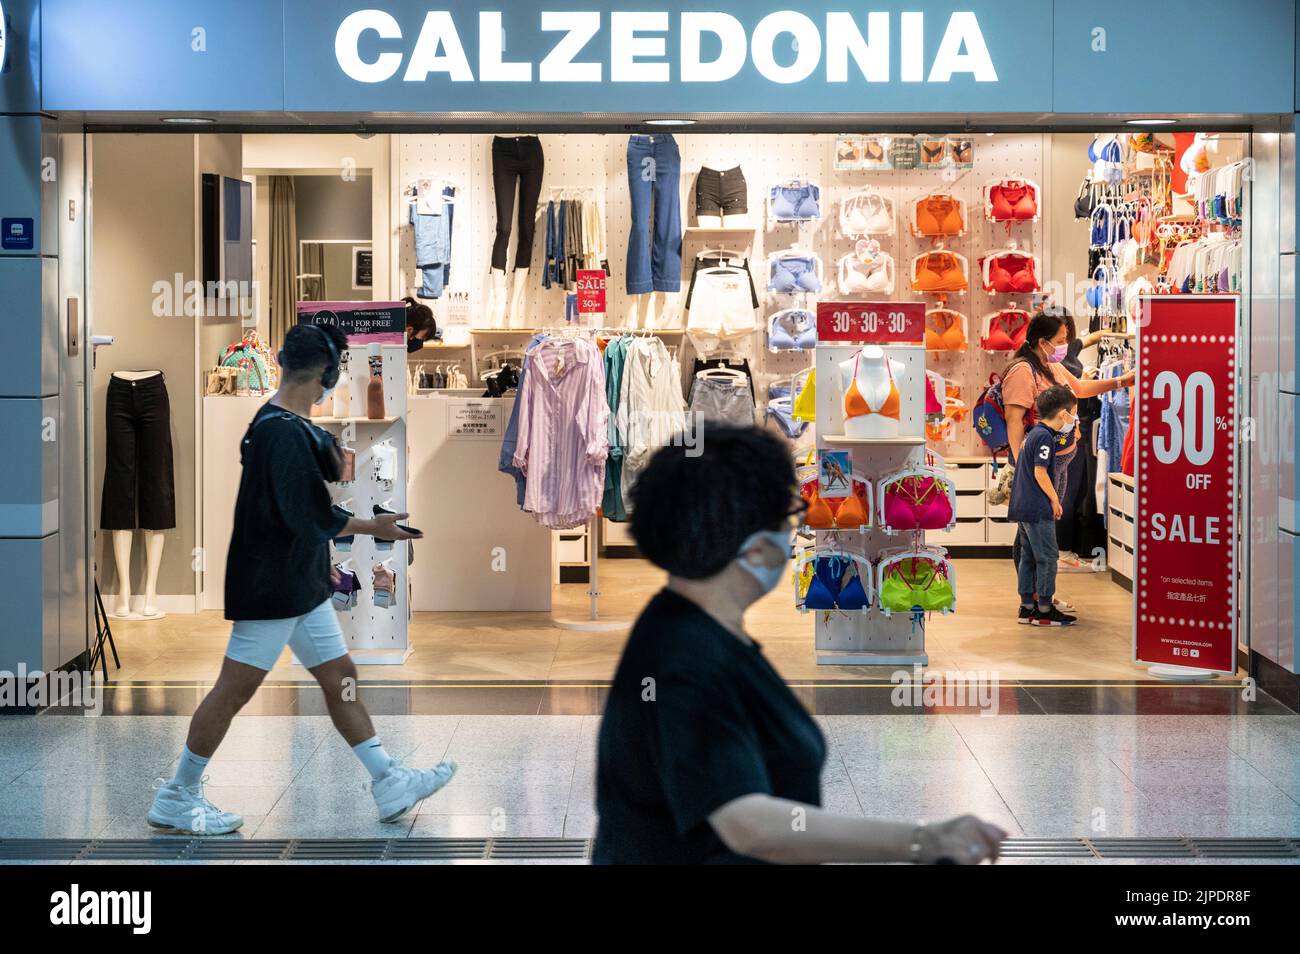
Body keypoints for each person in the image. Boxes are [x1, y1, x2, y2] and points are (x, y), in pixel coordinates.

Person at [594, 426, 1007, 865]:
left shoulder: (701, 631)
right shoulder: (682, 657)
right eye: (790, 516)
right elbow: (748, 824)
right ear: (751, 547)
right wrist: (924, 841)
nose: (795, 532)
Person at [147, 324, 455, 835]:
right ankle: (177, 794)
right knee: (233, 690)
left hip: (296, 584)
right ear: (327, 374)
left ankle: (388, 780)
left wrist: (323, 564)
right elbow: (311, 516)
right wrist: (373, 526)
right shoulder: (282, 434)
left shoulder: (278, 422)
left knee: (341, 680)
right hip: (273, 590)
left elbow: (297, 512)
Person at [1002, 312, 1132, 612]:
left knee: (1032, 532)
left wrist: (1122, 381)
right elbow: (1014, 421)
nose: (1065, 346)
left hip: (1056, 465)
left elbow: (1080, 390)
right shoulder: (1023, 371)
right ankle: (1036, 599)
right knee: (1034, 535)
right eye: (1060, 341)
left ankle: (1036, 595)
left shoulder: (1052, 366)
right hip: (1037, 467)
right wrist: (1025, 469)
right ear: (1043, 342)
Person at [1008, 386, 1078, 627]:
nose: (1074, 419)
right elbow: (1040, 472)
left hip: (1023, 506)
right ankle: (1045, 610)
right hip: (1037, 508)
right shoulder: (1046, 438)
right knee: (1048, 557)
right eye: (1073, 413)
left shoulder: (1033, 434)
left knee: (1028, 556)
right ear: (1063, 415)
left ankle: (1027, 606)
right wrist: (1055, 499)